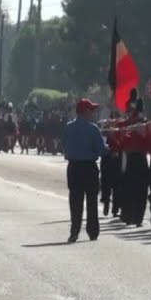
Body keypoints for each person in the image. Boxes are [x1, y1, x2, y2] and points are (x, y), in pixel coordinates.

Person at [62, 98, 109, 242]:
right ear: (85, 112)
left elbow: (64, 146)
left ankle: (74, 230)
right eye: (91, 111)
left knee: (75, 200)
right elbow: (101, 150)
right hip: (89, 167)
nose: (93, 113)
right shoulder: (92, 129)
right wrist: (109, 149)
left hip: (73, 167)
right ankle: (92, 231)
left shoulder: (68, 127)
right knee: (91, 201)